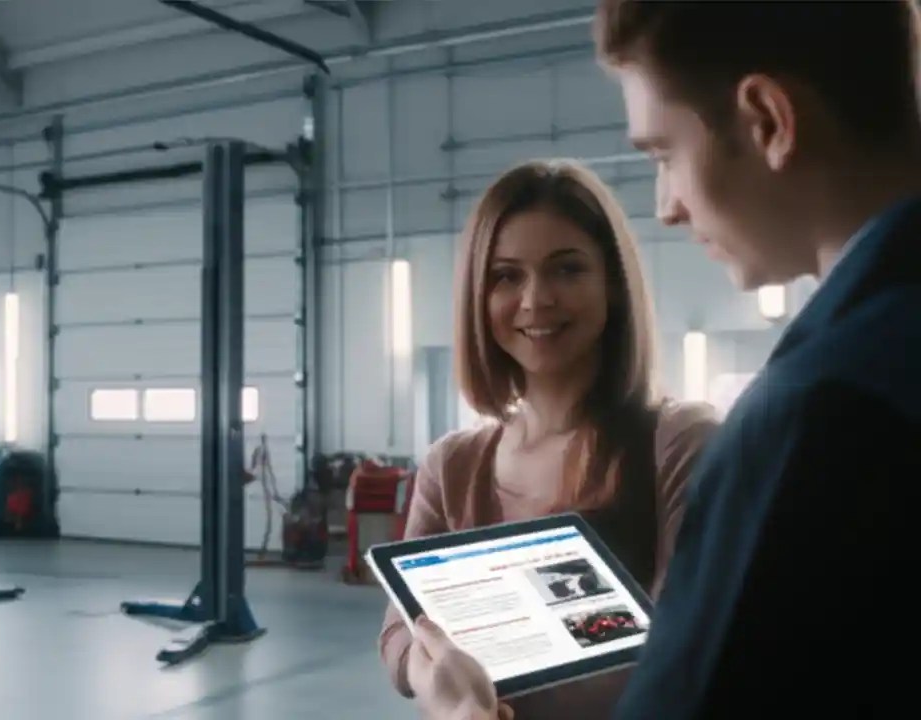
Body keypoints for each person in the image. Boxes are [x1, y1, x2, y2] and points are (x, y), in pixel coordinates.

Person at [404, 2, 921, 718]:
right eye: (504, 276)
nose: (668, 207)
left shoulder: (819, 411)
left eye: (663, 155)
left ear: (768, 120)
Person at [378, 158, 719, 719]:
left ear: (613, 284)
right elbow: (401, 629)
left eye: (567, 269)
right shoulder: (452, 466)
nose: (536, 299)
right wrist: (445, 693)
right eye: (507, 276)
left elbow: (688, 654)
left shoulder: (679, 446)